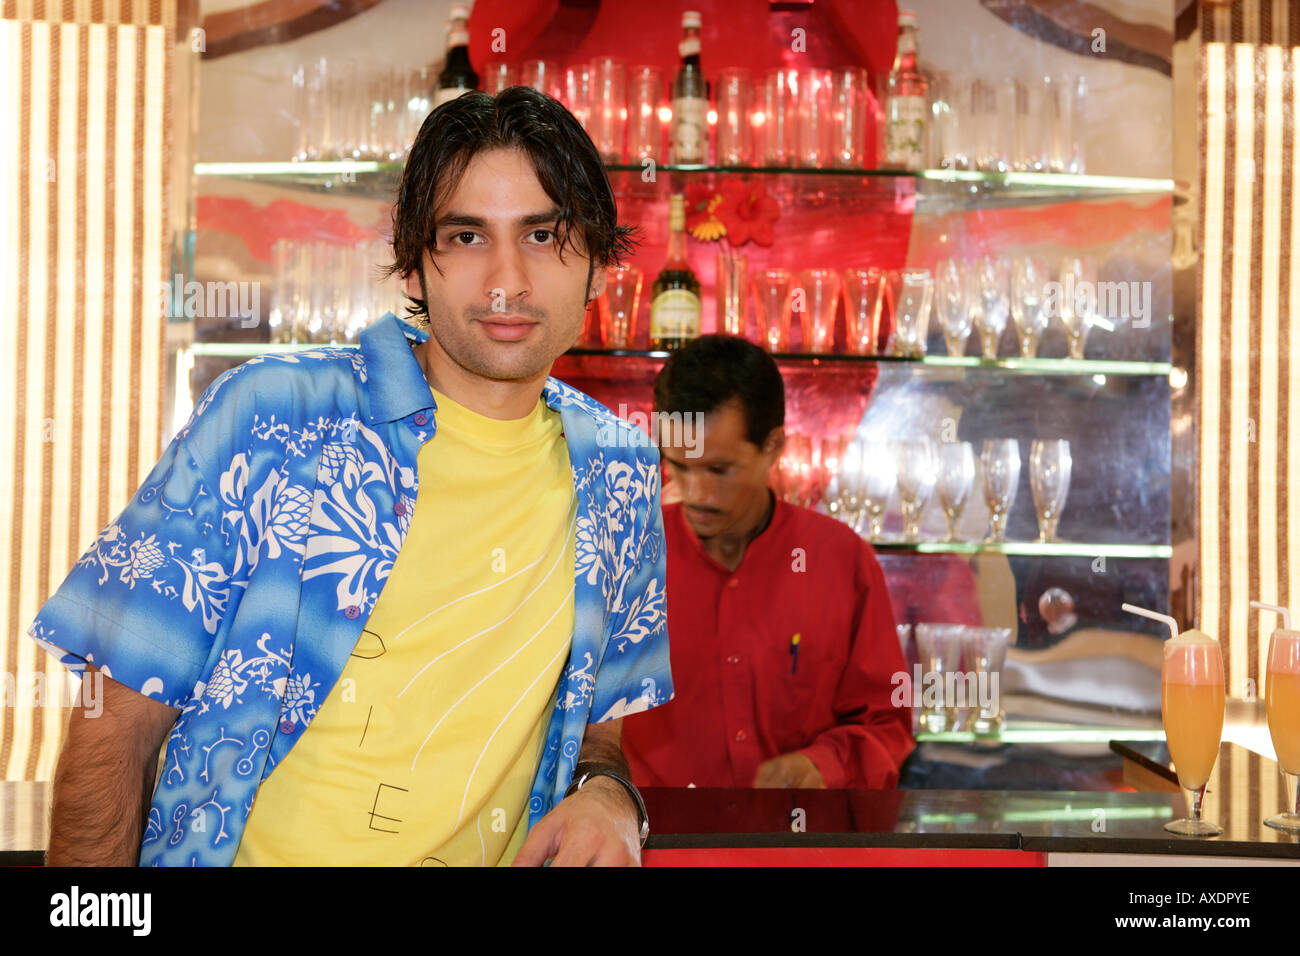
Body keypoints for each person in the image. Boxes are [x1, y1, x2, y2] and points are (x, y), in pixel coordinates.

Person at [28, 87, 672, 867]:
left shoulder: (622, 472)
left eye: (543, 234)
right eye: (467, 236)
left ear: (600, 264)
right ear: (413, 265)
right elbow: (114, 724)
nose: (506, 279)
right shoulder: (273, 416)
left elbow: (598, 723)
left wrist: (609, 793)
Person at [621, 336, 913, 790]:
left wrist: (822, 766)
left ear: (774, 447)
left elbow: (887, 723)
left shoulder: (840, 561)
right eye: (677, 464)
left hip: (797, 849)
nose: (694, 493)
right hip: (650, 849)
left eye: (719, 470)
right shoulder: (626, 557)